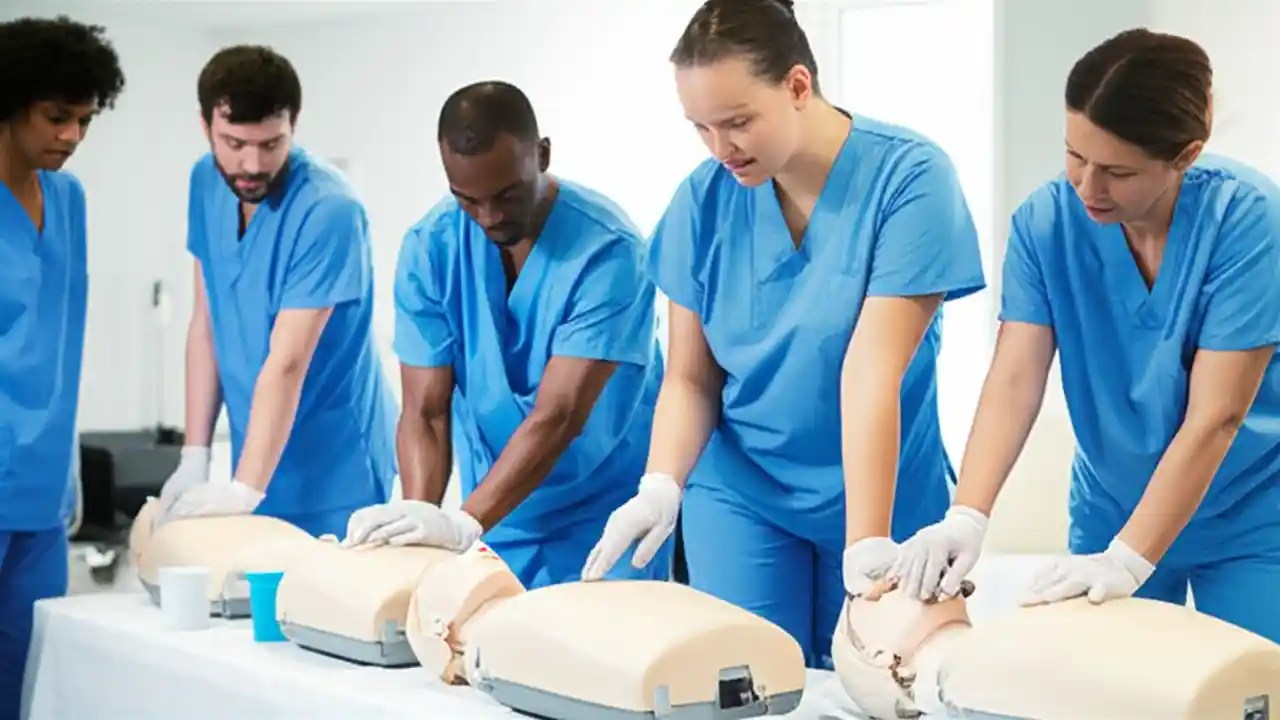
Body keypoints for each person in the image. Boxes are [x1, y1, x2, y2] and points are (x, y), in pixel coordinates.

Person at [579, 0, 986, 669]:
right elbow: (689, 377)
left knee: (880, 685)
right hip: (743, 492)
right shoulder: (701, 202)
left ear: (798, 86)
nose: (720, 149)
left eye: (737, 122)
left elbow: (871, 371)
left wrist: (868, 539)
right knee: (749, 684)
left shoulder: (910, 181)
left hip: (882, 492)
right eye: (701, 128)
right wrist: (660, 484)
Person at [890, 29, 1280, 645]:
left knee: (1255, 689)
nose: (1087, 188)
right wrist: (967, 515)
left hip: (1251, 513)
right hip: (1111, 502)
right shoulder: (1045, 223)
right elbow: (1016, 378)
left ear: (1185, 156)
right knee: (1100, 688)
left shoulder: (1248, 220)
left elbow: (1218, 415)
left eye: (1117, 171)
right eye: (1075, 155)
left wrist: (1129, 560)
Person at [342, 81, 671, 590]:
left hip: (604, 518)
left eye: (507, 195)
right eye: (468, 200)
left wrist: (464, 521)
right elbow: (425, 413)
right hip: (495, 517)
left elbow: (558, 415)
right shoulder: (431, 249)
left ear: (541, 154)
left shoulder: (608, 251)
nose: (489, 217)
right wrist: (420, 529)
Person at [156, 45, 397, 538]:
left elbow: (288, 361)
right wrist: (195, 455)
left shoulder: (328, 210)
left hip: (336, 470)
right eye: (234, 143)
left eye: (271, 144)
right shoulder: (205, 182)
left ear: (294, 126)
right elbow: (207, 326)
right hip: (260, 455)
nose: (252, 164)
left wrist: (244, 489)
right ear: (205, 127)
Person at [0, 15, 125, 720]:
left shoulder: (69, 200)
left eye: (85, 120)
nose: (72, 136)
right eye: (56, 117)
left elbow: (60, 334)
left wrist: (70, 469)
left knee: (29, 687)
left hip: (44, 494)